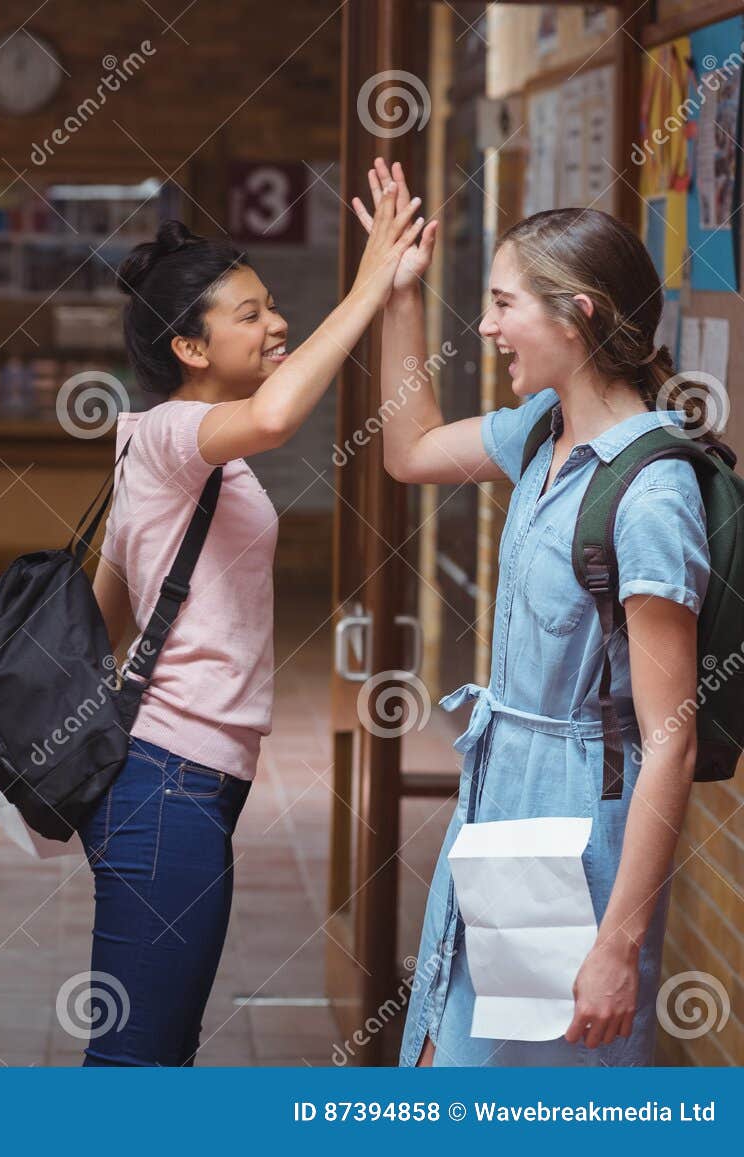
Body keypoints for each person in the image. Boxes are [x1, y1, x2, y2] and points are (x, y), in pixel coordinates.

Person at [353, 158, 707, 1066]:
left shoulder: (651, 493)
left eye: (505, 303)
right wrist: (401, 296)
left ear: (578, 313)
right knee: (443, 1053)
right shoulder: (545, 431)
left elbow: (671, 738)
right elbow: (411, 447)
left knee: (530, 1082)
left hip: (580, 823)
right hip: (499, 796)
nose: (486, 326)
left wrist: (616, 945)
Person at [81, 184, 427, 1065]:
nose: (274, 324)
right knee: (138, 1059)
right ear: (190, 347)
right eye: (251, 313)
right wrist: (366, 285)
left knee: (158, 1047)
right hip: (167, 780)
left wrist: (395, 292)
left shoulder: (169, 445)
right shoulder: (169, 434)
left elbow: (104, 606)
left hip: (181, 777)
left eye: (272, 305)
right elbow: (277, 417)